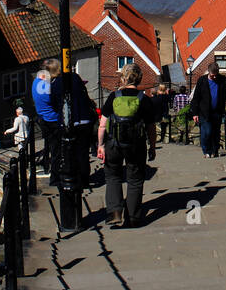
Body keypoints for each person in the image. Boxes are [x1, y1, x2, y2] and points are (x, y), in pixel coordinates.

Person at [97, 65, 157, 228]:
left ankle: (115, 212)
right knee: (135, 180)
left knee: (113, 177)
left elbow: (102, 125)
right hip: (136, 145)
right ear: (139, 79)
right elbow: (151, 127)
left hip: (113, 143)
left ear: (122, 78)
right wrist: (152, 146)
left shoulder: (113, 97)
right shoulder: (144, 99)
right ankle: (133, 217)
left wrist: (100, 145)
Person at [51, 58, 98, 193]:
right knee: (83, 152)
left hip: (68, 123)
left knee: (68, 151)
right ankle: (84, 180)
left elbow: (54, 104)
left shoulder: (56, 84)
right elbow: (84, 94)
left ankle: (71, 178)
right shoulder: (75, 77)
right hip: (84, 120)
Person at [189, 64, 226, 158]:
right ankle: (206, 150)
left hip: (217, 111)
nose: (214, 77)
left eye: (216, 75)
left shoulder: (223, 81)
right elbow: (196, 98)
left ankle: (215, 151)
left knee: (215, 132)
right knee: (207, 132)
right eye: (212, 75)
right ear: (208, 72)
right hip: (204, 112)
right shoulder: (202, 80)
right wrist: (195, 113)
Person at [31, 62, 61, 182]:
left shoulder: (36, 82)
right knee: (56, 150)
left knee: (48, 145)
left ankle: (46, 166)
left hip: (42, 118)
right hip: (53, 119)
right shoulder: (50, 87)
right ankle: (55, 177)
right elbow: (55, 102)